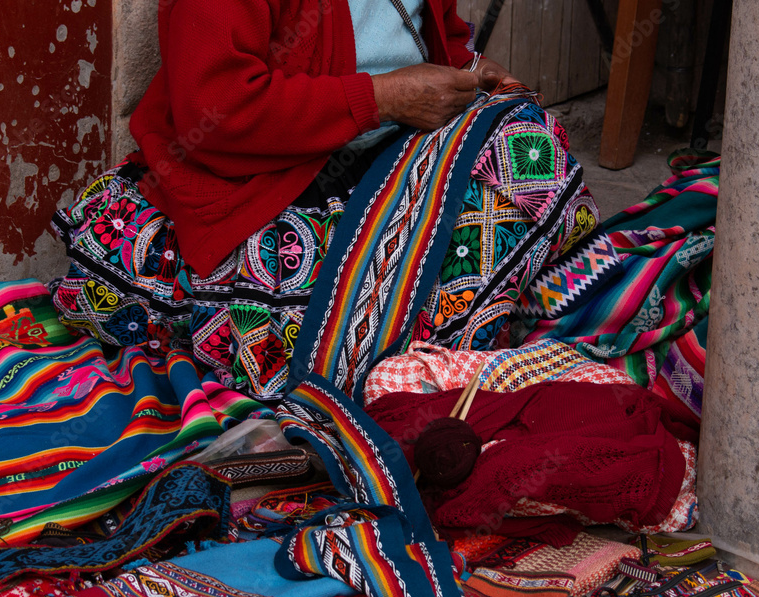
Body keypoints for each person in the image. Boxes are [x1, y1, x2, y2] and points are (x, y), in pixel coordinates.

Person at [48, 0, 606, 401]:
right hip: (266, 182)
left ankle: (433, 335)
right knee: (305, 327)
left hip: (388, 152)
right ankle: (418, 349)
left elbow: (430, 28)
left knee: (529, 152)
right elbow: (214, 109)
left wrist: (469, 71)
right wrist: (384, 98)